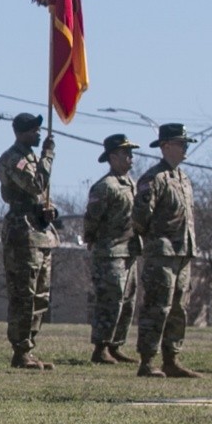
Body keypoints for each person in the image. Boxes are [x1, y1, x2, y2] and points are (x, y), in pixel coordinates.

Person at [131, 123, 199, 379]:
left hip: (183, 252)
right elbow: (139, 217)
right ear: (166, 146)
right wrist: (155, 239)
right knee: (157, 307)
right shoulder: (154, 178)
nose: (185, 149)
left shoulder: (183, 178)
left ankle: (172, 359)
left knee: (179, 307)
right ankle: (148, 360)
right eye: (181, 144)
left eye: (186, 144)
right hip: (161, 252)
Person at [0, 111, 59, 369]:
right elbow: (35, 185)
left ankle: (30, 345)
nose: (38, 134)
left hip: (40, 231)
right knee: (25, 293)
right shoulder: (14, 159)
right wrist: (48, 156)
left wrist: (48, 209)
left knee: (41, 295)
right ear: (21, 132)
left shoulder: (32, 158)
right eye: (33, 130)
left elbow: (40, 194)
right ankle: (20, 349)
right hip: (21, 233)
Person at [81, 133, 139, 365]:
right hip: (109, 251)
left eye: (131, 154)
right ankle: (101, 346)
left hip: (129, 250)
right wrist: (92, 239)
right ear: (113, 157)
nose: (131, 158)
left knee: (128, 301)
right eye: (126, 153)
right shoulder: (105, 187)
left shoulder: (131, 183)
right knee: (110, 299)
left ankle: (116, 345)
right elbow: (91, 219)